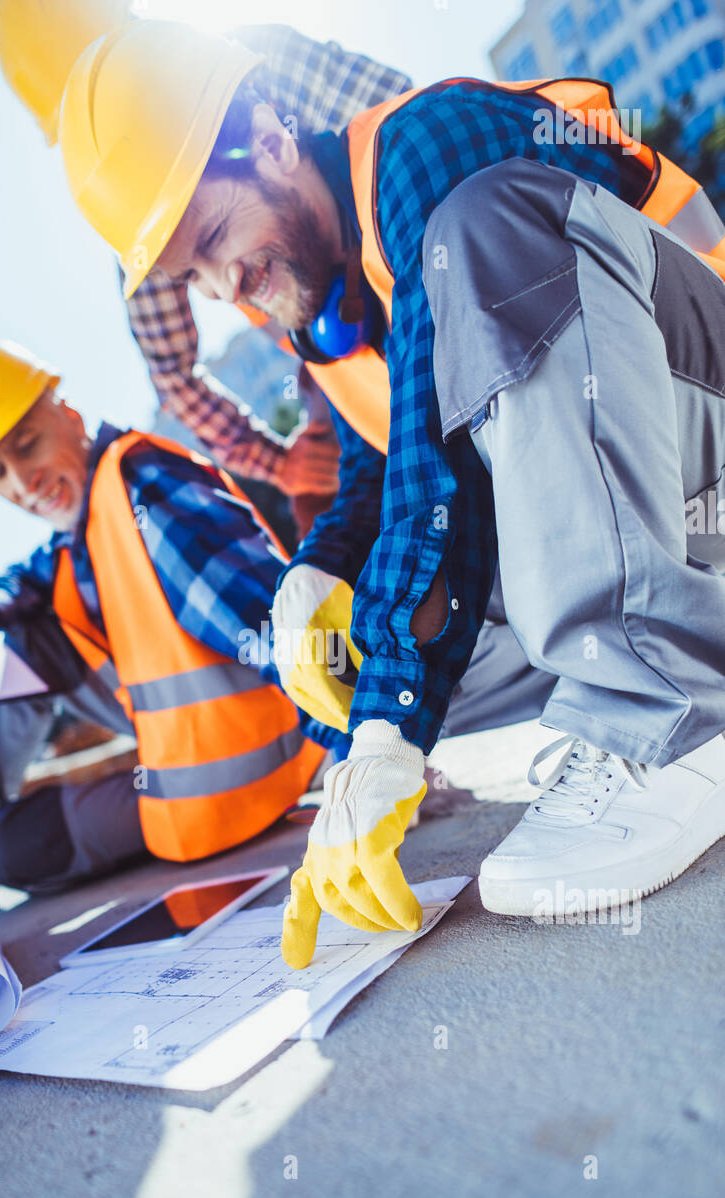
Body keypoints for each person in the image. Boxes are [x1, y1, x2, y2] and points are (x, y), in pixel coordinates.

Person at [54, 20, 725, 965]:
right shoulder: (332, 308)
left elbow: (429, 458)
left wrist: (389, 727)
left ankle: (672, 712)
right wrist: (317, 576)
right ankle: (641, 667)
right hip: (671, 505)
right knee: (359, 642)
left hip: (704, 423)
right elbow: (380, 466)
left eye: (212, 237)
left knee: (481, 224)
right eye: (192, 276)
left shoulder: (427, 148)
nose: (226, 291)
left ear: (273, 141)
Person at [0, 341, 343, 920]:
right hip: (247, 775)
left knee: (13, 842)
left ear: (67, 411)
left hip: (242, 783)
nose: (22, 482)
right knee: (26, 626)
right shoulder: (82, 535)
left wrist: (356, 741)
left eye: (26, 444)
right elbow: (33, 575)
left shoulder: (144, 483)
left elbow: (268, 620)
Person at [0, 0, 414, 523]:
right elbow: (173, 375)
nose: (222, 286)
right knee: (331, 513)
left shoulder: (254, 58)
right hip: (336, 360)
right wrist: (282, 466)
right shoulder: (138, 220)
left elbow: (401, 127)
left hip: (412, 290)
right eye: (193, 272)